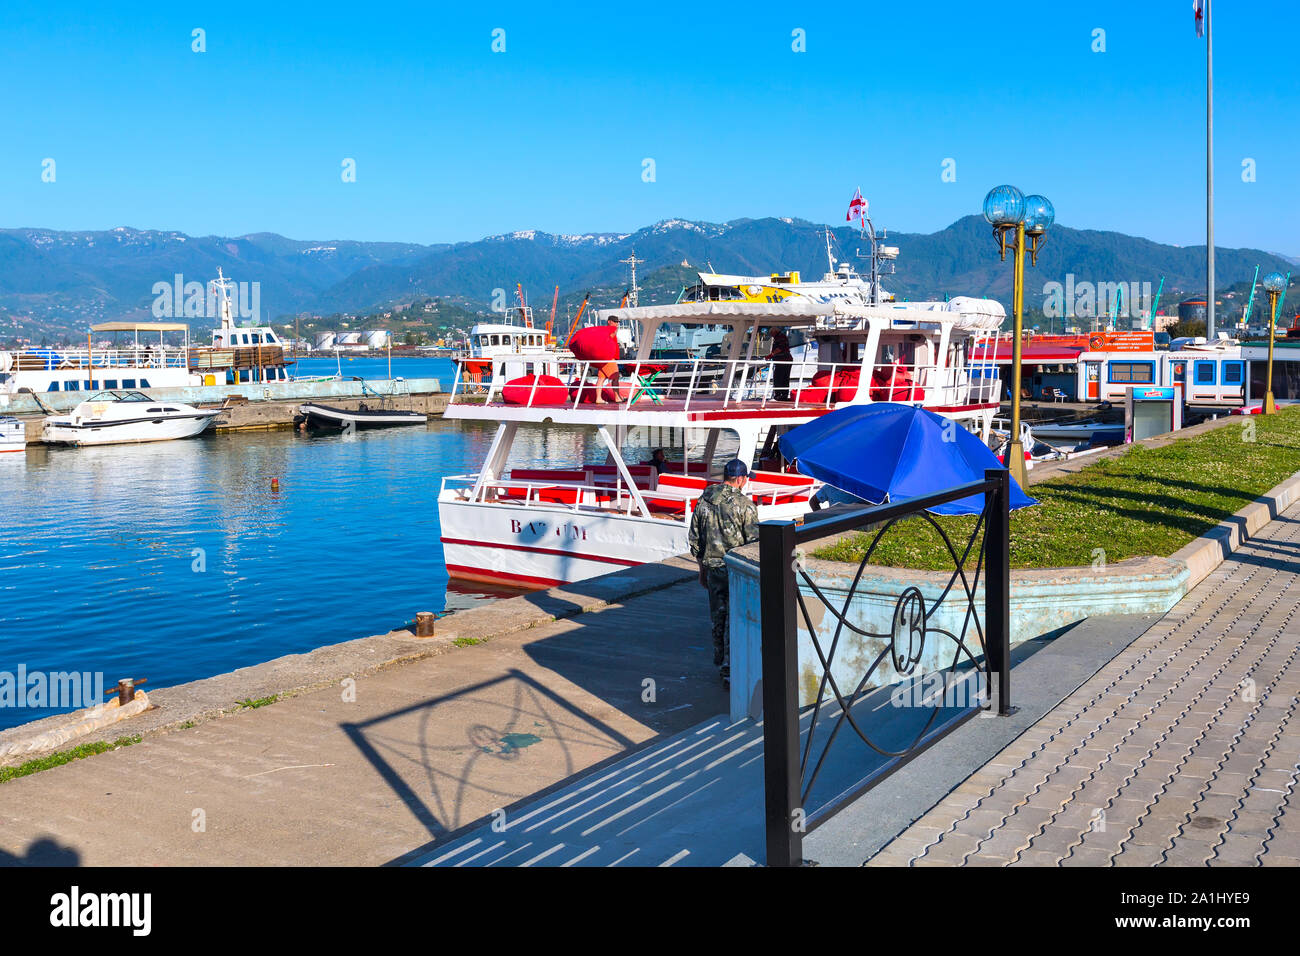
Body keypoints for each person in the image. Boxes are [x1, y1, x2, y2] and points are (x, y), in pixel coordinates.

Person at [688, 458, 759, 684]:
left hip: (712, 568)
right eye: (746, 478)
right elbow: (754, 544)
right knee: (736, 618)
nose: (746, 482)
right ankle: (730, 666)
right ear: (739, 479)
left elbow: (695, 539)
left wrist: (701, 569)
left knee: (717, 616)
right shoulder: (745, 505)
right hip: (736, 571)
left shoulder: (704, 499)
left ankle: (719, 659)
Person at [594, 316, 622, 404]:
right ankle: (617, 398)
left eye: (617, 322)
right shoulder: (609, 330)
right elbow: (608, 338)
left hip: (603, 358)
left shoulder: (604, 330)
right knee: (615, 377)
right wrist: (615, 331)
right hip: (609, 358)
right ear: (609, 321)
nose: (617, 323)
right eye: (615, 321)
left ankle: (598, 398)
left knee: (601, 378)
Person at [768, 327, 793, 402]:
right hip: (785, 360)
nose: (771, 335)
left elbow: (780, 348)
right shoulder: (780, 337)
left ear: (774, 332)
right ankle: (783, 395)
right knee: (784, 378)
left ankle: (779, 395)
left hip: (783, 360)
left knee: (778, 378)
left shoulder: (780, 337)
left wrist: (771, 355)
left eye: (771, 333)